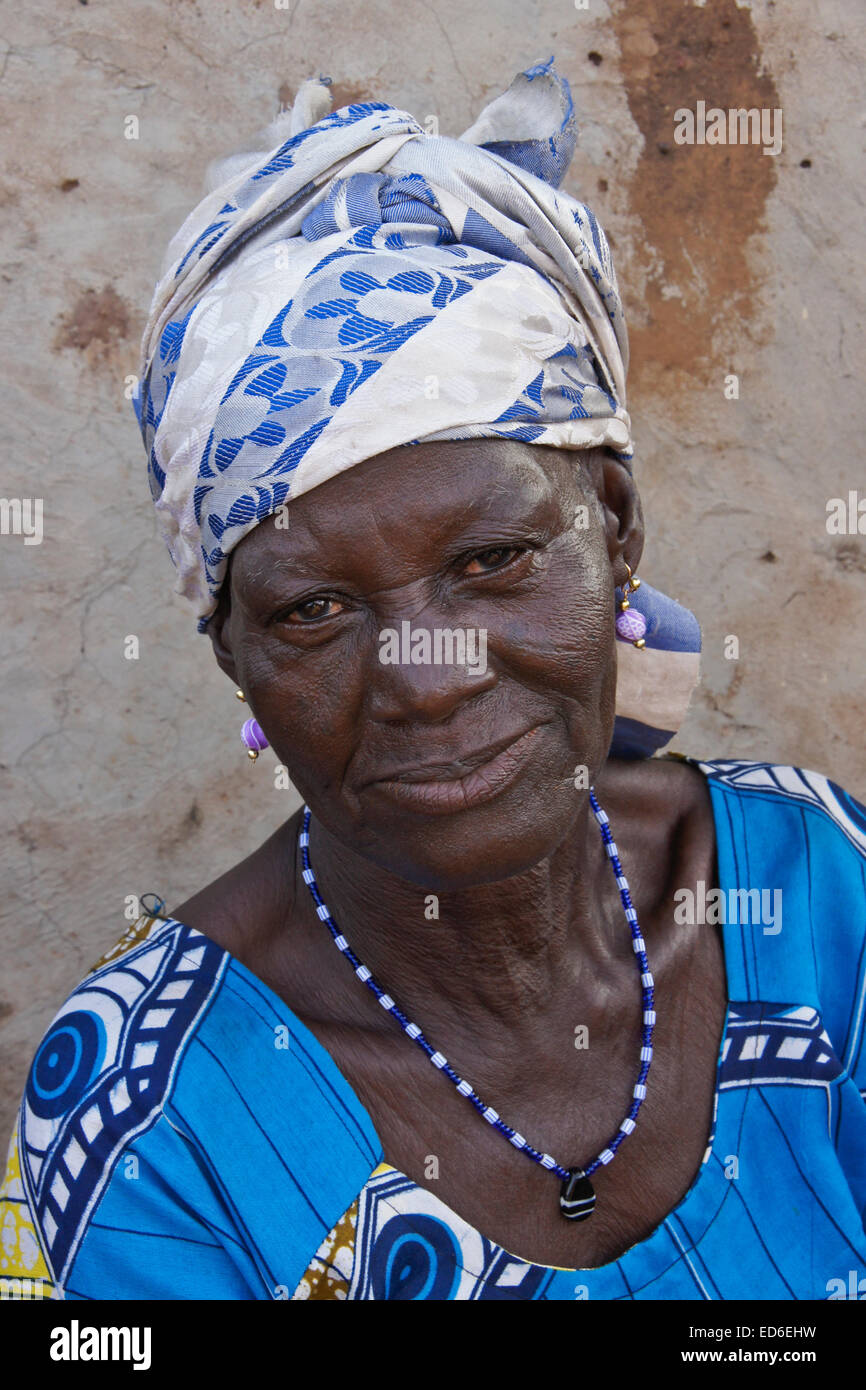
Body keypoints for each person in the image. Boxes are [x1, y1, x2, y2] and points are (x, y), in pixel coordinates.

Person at [2, 62, 864, 1302]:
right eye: (315, 610)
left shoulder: (814, 886)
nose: (429, 679)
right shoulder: (153, 1114)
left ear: (614, 530)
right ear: (232, 653)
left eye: (492, 559)